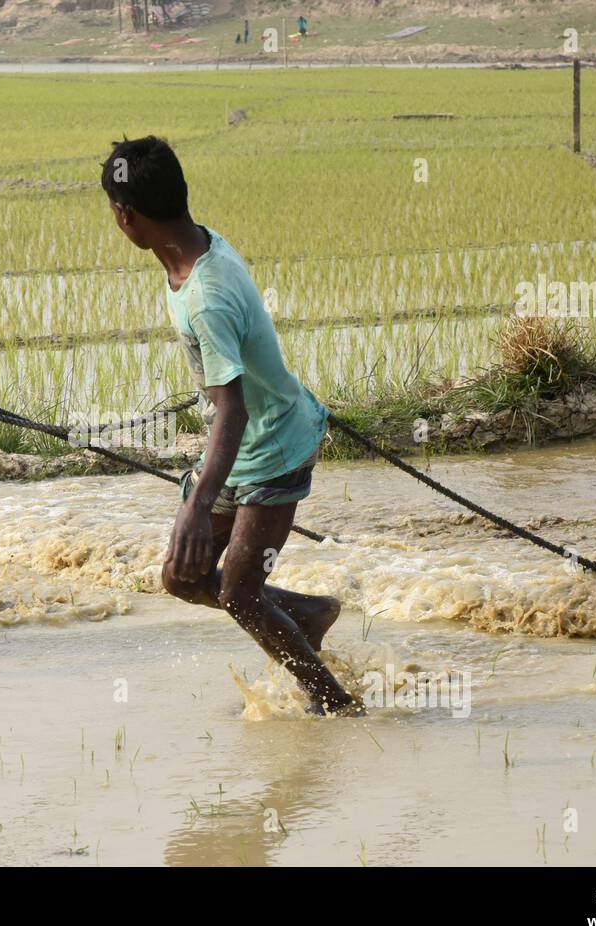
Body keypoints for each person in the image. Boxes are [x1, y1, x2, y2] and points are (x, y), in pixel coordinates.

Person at [99, 135, 357, 716]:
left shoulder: (206, 297)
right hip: (242, 447)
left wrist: (197, 504)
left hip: (274, 448)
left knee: (240, 596)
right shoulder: (193, 251)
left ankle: (336, 707)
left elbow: (233, 409)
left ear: (125, 214)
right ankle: (309, 614)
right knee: (182, 577)